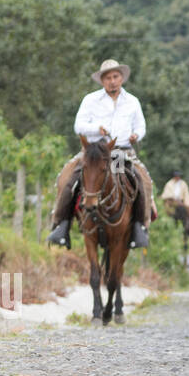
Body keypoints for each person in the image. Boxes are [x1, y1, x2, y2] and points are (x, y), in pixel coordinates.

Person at [47, 58, 154, 250]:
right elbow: (78, 126)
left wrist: (136, 135)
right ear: (102, 81)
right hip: (95, 153)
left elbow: (141, 126)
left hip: (120, 152)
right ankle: (61, 225)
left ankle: (140, 227)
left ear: (121, 78)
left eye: (115, 76)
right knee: (69, 179)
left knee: (141, 180)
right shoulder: (90, 100)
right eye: (108, 78)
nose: (112, 81)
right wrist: (97, 129)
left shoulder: (132, 102)